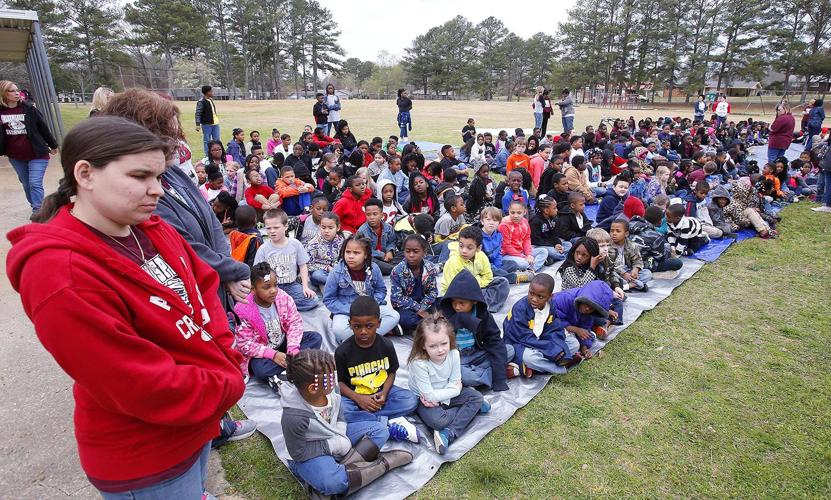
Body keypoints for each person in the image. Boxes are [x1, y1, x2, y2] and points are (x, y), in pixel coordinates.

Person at [8, 116, 247, 498]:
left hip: (195, 421)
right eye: (139, 177)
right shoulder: (59, 272)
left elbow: (201, 286)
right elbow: (133, 381)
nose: (157, 191)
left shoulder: (149, 226)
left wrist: (224, 354)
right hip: (147, 455)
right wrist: (226, 382)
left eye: (158, 177)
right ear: (85, 174)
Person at [102, 88, 251, 329]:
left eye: (177, 133)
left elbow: (210, 220)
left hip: (214, 287)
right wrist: (233, 271)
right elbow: (184, 246)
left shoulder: (172, 173)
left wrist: (225, 272)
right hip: (191, 301)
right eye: (168, 134)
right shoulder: (140, 194)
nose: (178, 142)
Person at [281, 349, 413, 497]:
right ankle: (382, 465)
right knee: (334, 482)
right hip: (308, 455)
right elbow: (298, 452)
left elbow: (340, 415)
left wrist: (341, 431)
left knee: (380, 431)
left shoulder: (331, 389)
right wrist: (335, 445)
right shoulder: (294, 416)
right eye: (330, 377)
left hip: (335, 433)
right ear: (313, 388)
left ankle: (343, 471)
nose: (335, 378)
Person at [335, 296, 419, 441]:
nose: (363, 332)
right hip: (355, 398)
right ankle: (384, 423)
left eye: (369, 326)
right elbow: (340, 383)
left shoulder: (386, 345)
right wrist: (359, 399)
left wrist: (385, 393)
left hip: (381, 395)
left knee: (410, 400)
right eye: (357, 326)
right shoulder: (342, 351)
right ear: (350, 324)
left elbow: (391, 372)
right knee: (340, 409)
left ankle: (365, 421)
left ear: (379, 323)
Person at [234, 262, 323, 392]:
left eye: (275, 285)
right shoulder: (243, 310)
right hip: (264, 352)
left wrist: (293, 348)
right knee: (259, 369)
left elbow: (295, 322)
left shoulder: (283, 298)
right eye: (266, 287)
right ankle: (297, 365)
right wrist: (273, 355)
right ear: (253, 289)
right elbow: (244, 344)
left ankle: (288, 367)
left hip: (284, 342)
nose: (273, 290)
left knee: (316, 338)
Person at [407, 314, 487, 455]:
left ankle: (449, 433)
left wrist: (450, 392)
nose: (440, 350)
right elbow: (429, 395)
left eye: (444, 343)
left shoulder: (454, 354)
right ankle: (469, 410)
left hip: (445, 391)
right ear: (423, 345)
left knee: (477, 398)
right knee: (438, 421)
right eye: (433, 346)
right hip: (424, 399)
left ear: (450, 339)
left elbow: (454, 379)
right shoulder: (419, 364)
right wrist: (455, 390)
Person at [438, 269, 517, 392]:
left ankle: (486, 374)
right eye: (454, 302)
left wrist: (499, 379)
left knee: (509, 350)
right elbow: (435, 338)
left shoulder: (483, 315)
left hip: (477, 353)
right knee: (466, 376)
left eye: (462, 303)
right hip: (456, 358)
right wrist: (459, 319)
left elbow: (494, 341)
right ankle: (490, 373)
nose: (457, 307)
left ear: (474, 301)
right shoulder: (446, 313)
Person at [324, 235, 401, 343]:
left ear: (365, 255)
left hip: (369, 308)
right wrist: (349, 310)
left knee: (394, 316)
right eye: (348, 252)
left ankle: (353, 339)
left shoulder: (374, 269)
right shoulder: (336, 272)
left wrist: (372, 304)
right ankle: (371, 334)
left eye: (356, 253)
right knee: (339, 330)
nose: (350, 256)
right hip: (346, 311)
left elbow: (381, 290)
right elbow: (329, 299)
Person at [504, 274, 582, 376]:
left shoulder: (551, 307)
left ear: (550, 297)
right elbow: (523, 337)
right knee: (530, 358)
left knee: (574, 344)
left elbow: (554, 329)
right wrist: (550, 349)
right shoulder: (520, 308)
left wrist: (557, 346)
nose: (534, 299)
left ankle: (533, 369)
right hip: (520, 344)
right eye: (531, 293)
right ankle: (560, 369)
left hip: (542, 340)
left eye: (540, 296)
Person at [0, 80, 59, 215]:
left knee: (34, 183)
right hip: (16, 156)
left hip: (37, 154)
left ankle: (38, 210)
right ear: (4, 94)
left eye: (17, 90)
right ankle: (35, 204)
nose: (17, 93)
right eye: (12, 91)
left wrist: (53, 145)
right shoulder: (1, 112)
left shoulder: (29, 109)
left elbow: (43, 128)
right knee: (27, 184)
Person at [254, 209, 319, 311]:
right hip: (273, 287)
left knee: (313, 300)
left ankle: (282, 306)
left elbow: (303, 265)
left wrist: (305, 287)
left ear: (286, 226)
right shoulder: (263, 249)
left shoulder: (295, 244)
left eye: (276, 227)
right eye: (268, 228)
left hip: (291, 285)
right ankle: (284, 305)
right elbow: (258, 272)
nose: (272, 231)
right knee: (259, 303)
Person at [440, 226, 510, 313]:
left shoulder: (482, 256)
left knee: (502, 282)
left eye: (469, 248)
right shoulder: (453, 262)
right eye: (461, 246)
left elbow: (488, 277)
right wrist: (477, 280)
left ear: (478, 248)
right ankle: (479, 307)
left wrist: (475, 284)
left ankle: (483, 307)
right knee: (459, 302)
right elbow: (455, 288)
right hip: (457, 295)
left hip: (476, 290)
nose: (464, 251)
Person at [390, 235, 440, 334]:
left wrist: (423, 307)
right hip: (406, 307)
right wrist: (417, 308)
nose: (411, 255)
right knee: (407, 320)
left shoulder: (430, 268)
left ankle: (426, 324)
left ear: (424, 253)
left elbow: (433, 292)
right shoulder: (397, 271)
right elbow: (396, 298)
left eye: (415, 252)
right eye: (407, 251)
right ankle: (431, 324)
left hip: (425, 303)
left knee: (445, 304)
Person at [499, 200, 548, 272]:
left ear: (524, 212)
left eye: (519, 213)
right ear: (508, 211)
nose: (515, 216)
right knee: (524, 263)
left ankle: (531, 269)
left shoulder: (525, 221)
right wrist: (524, 257)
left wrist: (528, 254)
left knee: (543, 251)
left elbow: (527, 239)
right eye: (512, 212)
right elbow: (507, 246)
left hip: (522, 252)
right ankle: (532, 265)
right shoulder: (504, 225)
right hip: (508, 254)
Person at [357, 198, 399, 275]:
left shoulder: (388, 228)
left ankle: (393, 268)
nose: (371, 217)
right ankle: (394, 270)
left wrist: (390, 251)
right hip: (374, 258)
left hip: (387, 257)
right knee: (368, 261)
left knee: (403, 254)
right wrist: (382, 255)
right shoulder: (362, 231)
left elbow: (392, 241)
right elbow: (365, 250)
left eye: (375, 214)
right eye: (368, 214)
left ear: (382, 215)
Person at [608, 218, 650, 292]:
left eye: (618, 231)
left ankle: (627, 286)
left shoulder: (632, 245)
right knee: (611, 275)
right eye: (612, 231)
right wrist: (623, 273)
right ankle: (637, 285)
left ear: (626, 234)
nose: (614, 233)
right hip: (616, 272)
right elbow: (610, 265)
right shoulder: (608, 246)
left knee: (647, 273)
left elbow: (637, 260)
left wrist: (635, 269)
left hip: (628, 271)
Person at [307, 211, 345, 289]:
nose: (326, 231)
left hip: (336, 270)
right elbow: (308, 264)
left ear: (338, 228)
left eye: (330, 228)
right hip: (319, 272)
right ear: (319, 226)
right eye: (323, 227)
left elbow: (342, 258)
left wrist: (335, 268)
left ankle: (334, 283)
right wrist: (327, 268)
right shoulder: (314, 243)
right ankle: (339, 283)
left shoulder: (341, 241)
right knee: (317, 275)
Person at [530, 195, 572, 265]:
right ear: (546, 210)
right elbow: (536, 240)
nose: (557, 210)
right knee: (553, 252)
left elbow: (555, 234)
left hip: (551, 244)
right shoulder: (535, 221)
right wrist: (553, 246)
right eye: (554, 208)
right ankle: (561, 256)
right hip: (539, 246)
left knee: (569, 245)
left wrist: (558, 244)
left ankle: (551, 258)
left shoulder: (554, 219)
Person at [195, 85, 221, 156]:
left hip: (215, 124)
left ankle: (218, 154)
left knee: (217, 141)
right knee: (207, 141)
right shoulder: (201, 102)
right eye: (211, 91)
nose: (212, 92)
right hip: (207, 124)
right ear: (207, 92)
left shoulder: (210, 100)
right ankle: (207, 155)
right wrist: (197, 124)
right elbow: (198, 113)